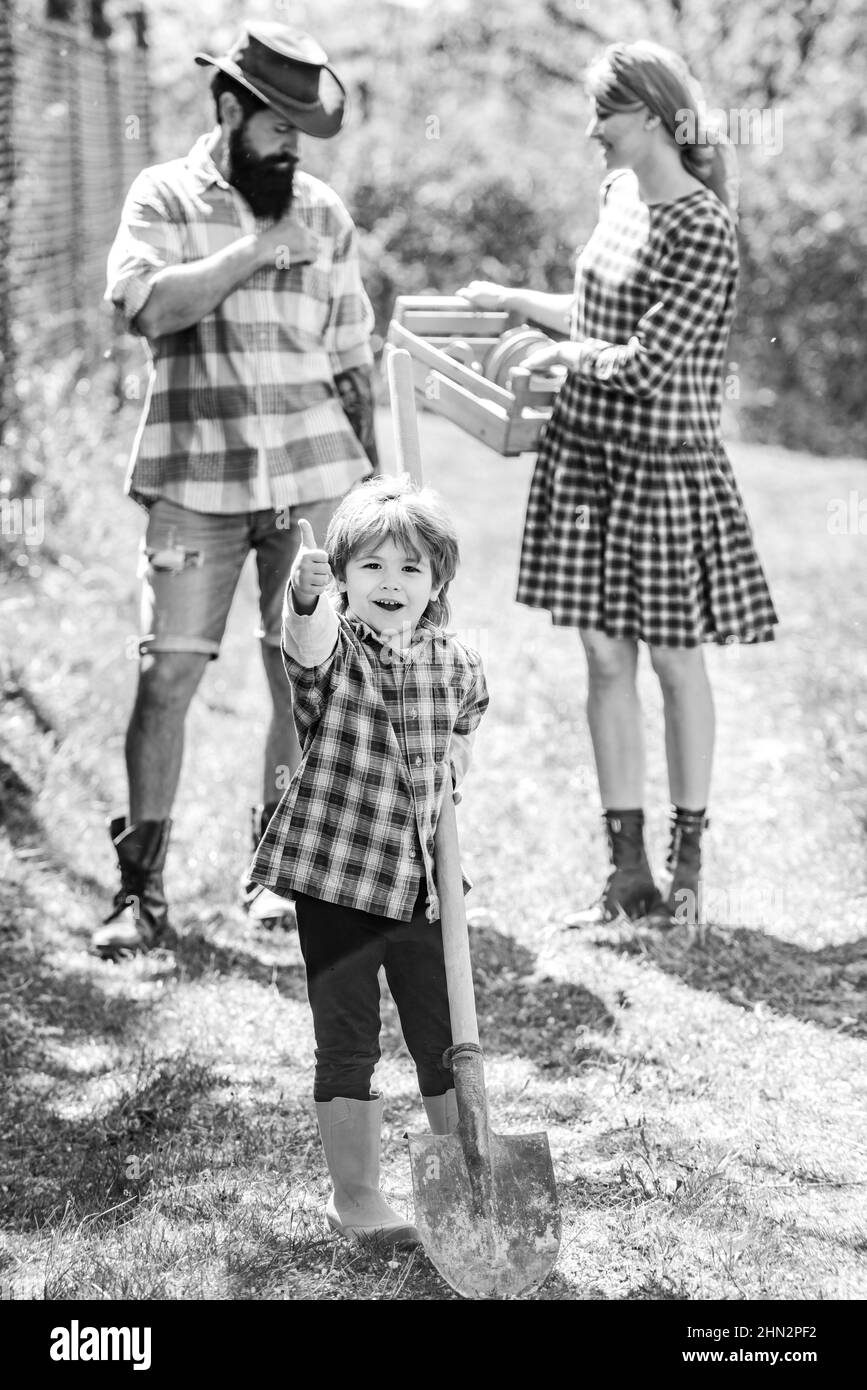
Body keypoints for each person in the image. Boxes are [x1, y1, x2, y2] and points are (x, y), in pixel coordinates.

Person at [458, 40, 778, 928]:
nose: (591, 131)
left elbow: (642, 361)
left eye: (604, 113)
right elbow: (601, 314)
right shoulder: (615, 198)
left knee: (674, 659)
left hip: (660, 464)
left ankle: (688, 862)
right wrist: (519, 301)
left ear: (647, 115)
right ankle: (624, 868)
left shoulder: (702, 227)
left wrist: (554, 355)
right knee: (602, 657)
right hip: (588, 456)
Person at [93, 23, 380, 959]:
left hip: (309, 480)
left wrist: (372, 487)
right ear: (227, 111)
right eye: (277, 128)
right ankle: (140, 891)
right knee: (167, 673)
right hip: (194, 481)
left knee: (296, 673)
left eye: (304, 131)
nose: (292, 147)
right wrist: (256, 250)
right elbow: (148, 309)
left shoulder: (327, 215)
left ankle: (274, 869)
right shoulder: (164, 196)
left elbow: (349, 362)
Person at [247, 475, 488, 1244]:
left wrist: (453, 761)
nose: (392, 582)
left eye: (411, 568)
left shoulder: (455, 659)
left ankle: (465, 1180)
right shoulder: (334, 651)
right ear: (347, 579)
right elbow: (304, 640)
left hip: (422, 888)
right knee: (346, 1038)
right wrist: (305, 595)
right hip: (339, 884)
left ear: (437, 582)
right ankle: (356, 1197)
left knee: (443, 1035)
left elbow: (463, 725)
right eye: (373, 567)